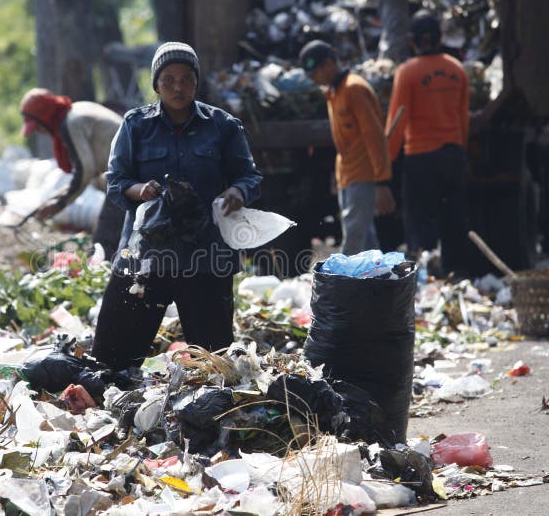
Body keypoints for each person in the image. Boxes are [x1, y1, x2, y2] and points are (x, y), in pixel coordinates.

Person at [92, 42, 263, 369]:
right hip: (146, 257)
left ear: (196, 82)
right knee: (111, 363)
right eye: (168, 80)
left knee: (214, 365)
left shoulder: (223, 126)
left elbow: (249, 177)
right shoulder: (135, 125)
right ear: (156, 84)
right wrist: (140, 190)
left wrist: (237, 192)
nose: (178, 87)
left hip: (206, 257)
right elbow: (115, 181)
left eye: (186, 79)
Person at [385, 11, 470, 275]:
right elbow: (463, 117)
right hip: (454, 155)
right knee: (454, 219)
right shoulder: (457, 69)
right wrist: (460, 150)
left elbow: (398, 120)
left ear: (412, 41)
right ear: (440, 38)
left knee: (420, 222)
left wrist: (385, 163)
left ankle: (425, 275)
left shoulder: (408, 72)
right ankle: (456, 273)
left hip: (421, 159)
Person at [299, 40, 395, 255]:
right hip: (348, 175)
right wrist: (339, 176)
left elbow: (375, 137)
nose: (313, 79)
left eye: (315, 73)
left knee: (354, 236)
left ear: (329, 64)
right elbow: (345, 142)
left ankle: (342, 276)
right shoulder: (333, 93)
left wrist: (382, 181)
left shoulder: (354, 89)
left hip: (363, 173)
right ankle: (376, 276)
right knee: (366, 238)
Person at [19, 88, 125, 257]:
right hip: (128, 173)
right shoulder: (78, 109)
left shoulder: (70, 123)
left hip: (129, 176)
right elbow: (91, 169)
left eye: (38, 126)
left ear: (45, 117)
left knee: (104, 241)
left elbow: (85, 169)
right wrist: (58, 198)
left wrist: (60, 204)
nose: (40, 131)